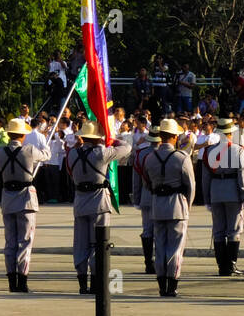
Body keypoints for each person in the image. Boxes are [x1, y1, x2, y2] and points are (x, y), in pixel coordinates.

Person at [66, 118, 132, 294]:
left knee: (80, 244)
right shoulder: (102, 153)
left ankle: (82, 283)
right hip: (98, 203)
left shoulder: (72, 154)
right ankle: (96, 283)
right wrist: (112, 137)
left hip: (80, 201)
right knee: (98, 245)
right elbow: (127, 147)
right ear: (97, 138)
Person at [140, 118, 195, 297]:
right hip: (177, 205)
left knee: (161, 247)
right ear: (173, 137)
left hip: (157, 205)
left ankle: (161, 284)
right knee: (175, 248)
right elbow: (190, 186)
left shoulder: (149, 158)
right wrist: (188, 205)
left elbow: (147, 183)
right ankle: (172, 284)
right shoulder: (181, 158)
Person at [0, 117, 49, 293]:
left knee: (10, 242)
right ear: (22, 135)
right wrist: (45, 140)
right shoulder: (29, 150)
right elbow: (46, 155)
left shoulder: (0, 152)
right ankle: (22, 280)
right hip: (25, 197)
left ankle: (11, 280)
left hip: (7, 197)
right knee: (25, 242)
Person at [200, 116, 244, 277]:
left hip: (215, 191)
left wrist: (207, 198)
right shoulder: (238, 150)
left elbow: (205, 178)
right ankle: (231, 265)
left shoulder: (208, 151)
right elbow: (242, 176)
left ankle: (222, 266)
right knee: (234, 230)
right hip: (232, 191)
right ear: (230, 133)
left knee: (219, 230)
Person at [131, 125, 158, 274]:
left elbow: (136, 180)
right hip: (164, 197)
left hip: (146, 196)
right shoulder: (171, 154)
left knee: (147, 230)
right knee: (161, 231)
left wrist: (137, 199)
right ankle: (160, 261)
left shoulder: (141, 155)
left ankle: (149, 263)